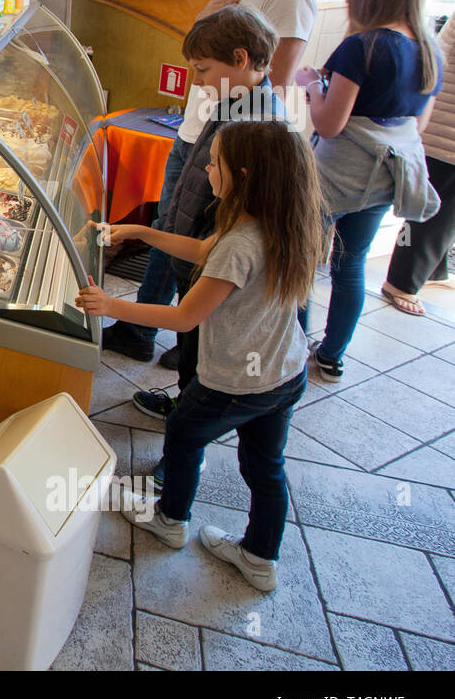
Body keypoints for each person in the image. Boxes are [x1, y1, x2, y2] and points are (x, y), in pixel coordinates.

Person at [77, 121, 327, 592]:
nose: (208, 168)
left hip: (234, 381)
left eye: (215, 163)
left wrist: (111, 306)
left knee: (185, 433)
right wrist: (141, 232)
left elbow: (186, 318)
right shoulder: (281, 219)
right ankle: (259, 557)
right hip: (285, 372)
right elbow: (198, 250)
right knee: (267, 468)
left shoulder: (239, 241)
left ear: (244, 175)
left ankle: (171, 519)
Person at [102, 0, 316, 368]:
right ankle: (143, 328)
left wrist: (224, 147)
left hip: (228, 146)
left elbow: (274, 83)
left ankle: (192, 347)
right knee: (172, 231)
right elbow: (206, 40)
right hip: (200, 134)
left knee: (207, 255)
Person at [122, 5, 286, 434]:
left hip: (212, 259)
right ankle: (184, 398)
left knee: (201, 355)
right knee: (191, 352)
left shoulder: (255, 127)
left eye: (203, 69)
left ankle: (187, 424)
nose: (197, 81)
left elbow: (234, 215)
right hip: (197, 250)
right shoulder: (233, 99)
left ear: (240, 59)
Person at [297, 0, 442, 381]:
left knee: (301, 258)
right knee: (351, 263)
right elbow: (416, 126)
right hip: (383, 178)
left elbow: (329, 122)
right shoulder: (429, 50)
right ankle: (333, 353)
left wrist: (311, 86)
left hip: (335, 174)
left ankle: (291, 343)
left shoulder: (361, 47)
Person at [381, 11, 455, 315]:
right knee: (436, 207)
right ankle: (401, 282)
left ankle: (432, 271)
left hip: (441, 120)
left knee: (442, 209)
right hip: (447, 128)